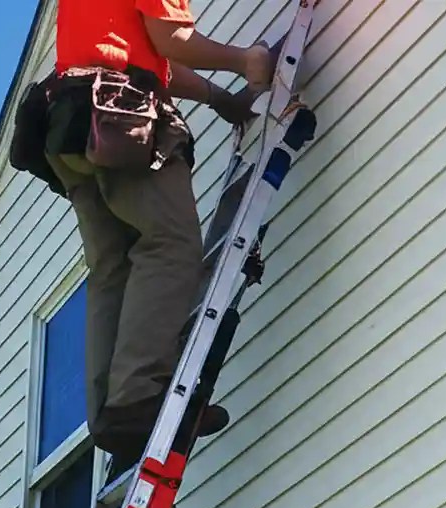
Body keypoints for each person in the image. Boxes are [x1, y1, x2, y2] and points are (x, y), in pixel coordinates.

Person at [42, 0, 274, 462]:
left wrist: (221, 100)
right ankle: (138, 398)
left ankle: (109, 416)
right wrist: (245, 60)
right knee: (169, 244)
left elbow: (153, 59)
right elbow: (173, 40)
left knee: (112, 269)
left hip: (70, 125)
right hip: (120, 121)